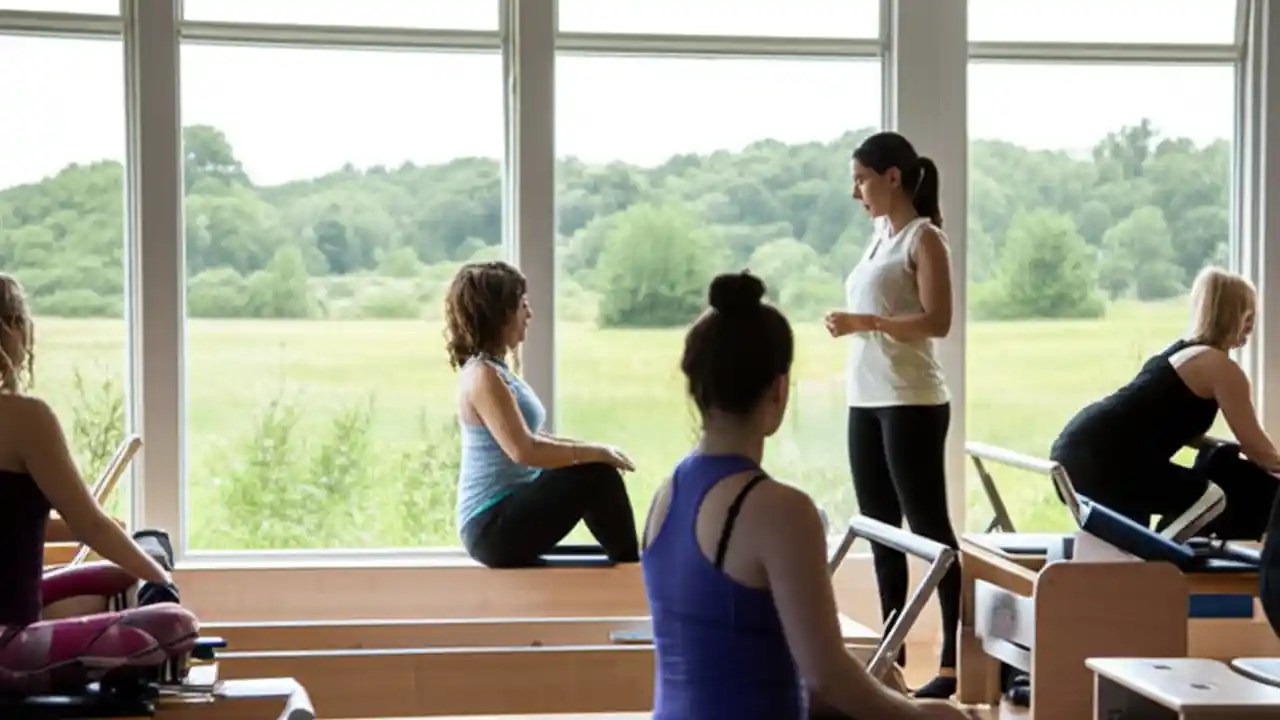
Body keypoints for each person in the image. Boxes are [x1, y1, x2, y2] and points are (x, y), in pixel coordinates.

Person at [642, 271, 978, 719]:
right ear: (780, 389)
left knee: (882, 689)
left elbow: (738, 663)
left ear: (697, 384)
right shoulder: (779, 511)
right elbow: (826, 675)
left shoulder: (664, 496)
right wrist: (925, 714)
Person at [0, 273, 197, 695]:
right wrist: (161, 579)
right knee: (173, 623)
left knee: (113, 576)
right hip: (6, 642)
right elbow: (92, 524)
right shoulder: (25, 418)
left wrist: (70, 528)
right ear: (13, 329)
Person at [824, 131, 962, 700]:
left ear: (893, 178)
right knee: (879, 529)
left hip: (912, 403)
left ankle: (952, 663)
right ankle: (892, 657)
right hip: (867, 399)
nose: (856, 191)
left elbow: (938, 321)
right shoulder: (878, 237)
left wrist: (867, 324)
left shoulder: (924, 239)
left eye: (861, 179)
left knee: (930, 532)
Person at [1050, 266, 1280, 532]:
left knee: (1149, 525)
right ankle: (1162, 561)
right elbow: (1258, 448)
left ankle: (1154, 559)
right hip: (1103, 460)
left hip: (1076, 449)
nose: (1251, 325)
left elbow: (1166, 423)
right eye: (1248, 314)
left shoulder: (1183, 353)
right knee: (1212, 498)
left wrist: (1221, 447)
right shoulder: (1220, 368)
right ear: (1235, 316)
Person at [445, 260, 641, 568]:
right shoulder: (482, 375)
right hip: (490, 527)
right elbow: (524, 450)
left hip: (500, 517)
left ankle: (632, 565)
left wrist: (594, 451)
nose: (530, 315)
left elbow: (533, 437)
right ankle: (635, 572)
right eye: (523, 305)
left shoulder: (495, 370)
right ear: (501, 314)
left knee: (593, 469)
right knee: (597, 475)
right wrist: (599, 454)